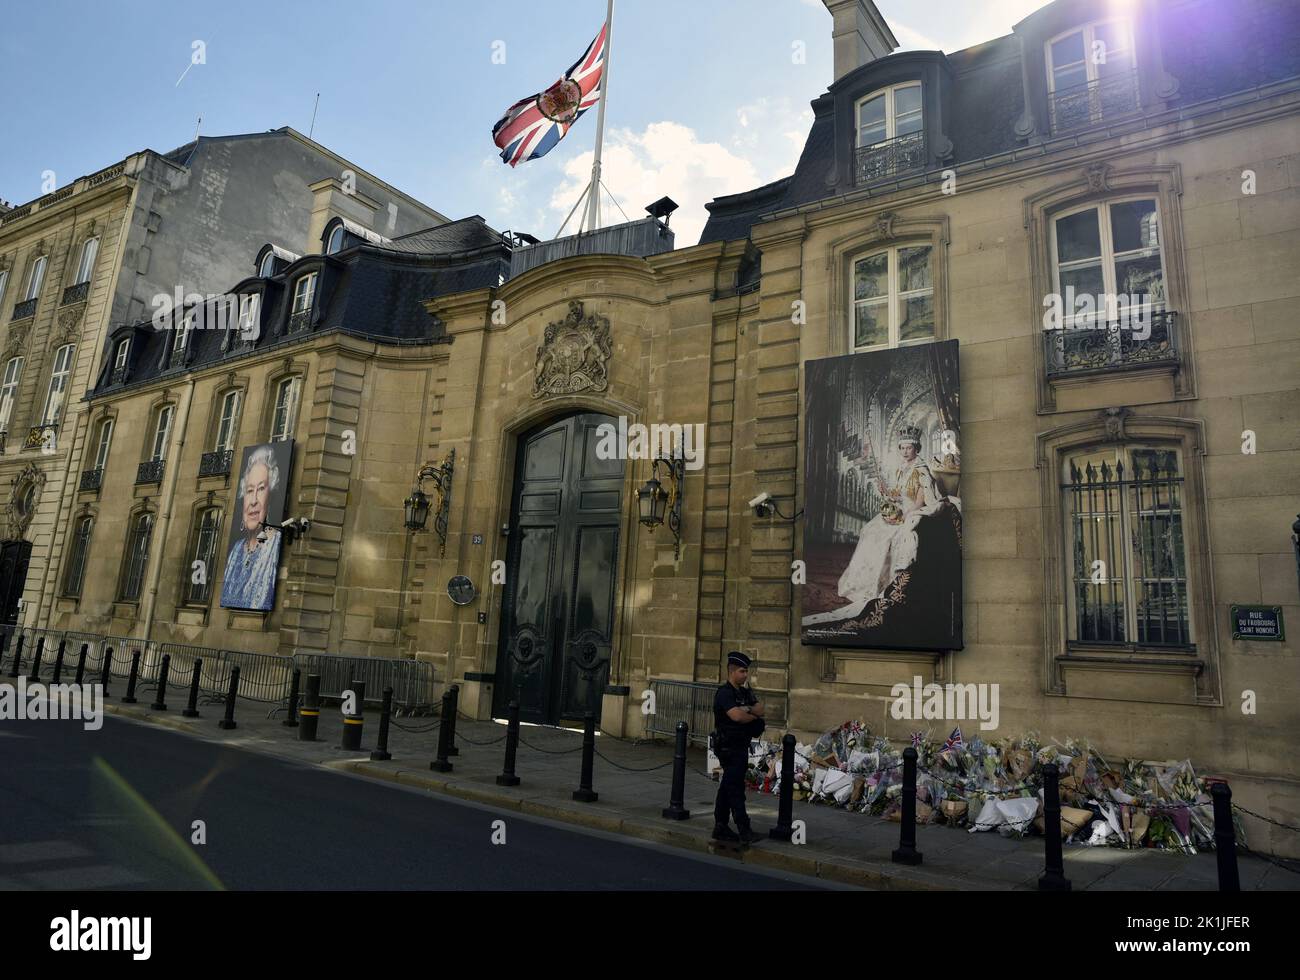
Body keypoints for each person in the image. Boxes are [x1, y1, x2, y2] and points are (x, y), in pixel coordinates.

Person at [803, 425, 944, 626]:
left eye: (909, 448)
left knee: (886, 537)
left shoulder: (921, 471)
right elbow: (897, 494)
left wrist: (903, 516)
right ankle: (860, 584)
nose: (905, 451)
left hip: (912, 512)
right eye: (902, 448)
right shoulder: (900, 469)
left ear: (917, 448)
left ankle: (878, 586)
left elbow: (920, 501)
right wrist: (886, 491)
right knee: (869, 529)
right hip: (899, 510)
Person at [220, 445, 283, 611]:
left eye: (261, 489)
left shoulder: (275, 543)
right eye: (249, 491)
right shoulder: (236, 550)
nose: (253, 500)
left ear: (270, 496)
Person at [712, 651, 765, 843]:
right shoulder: (725, 693)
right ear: (732, 671)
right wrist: (750, 717)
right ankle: (744, 829)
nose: (745, 675)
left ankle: (720, 826)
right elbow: (736, 716)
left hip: (740, 745)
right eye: (742, 671)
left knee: (728, 785)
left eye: (746, 671)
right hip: (729, 747)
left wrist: (748, 710)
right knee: (735, 788)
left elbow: (760, 709)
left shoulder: (744, 692)